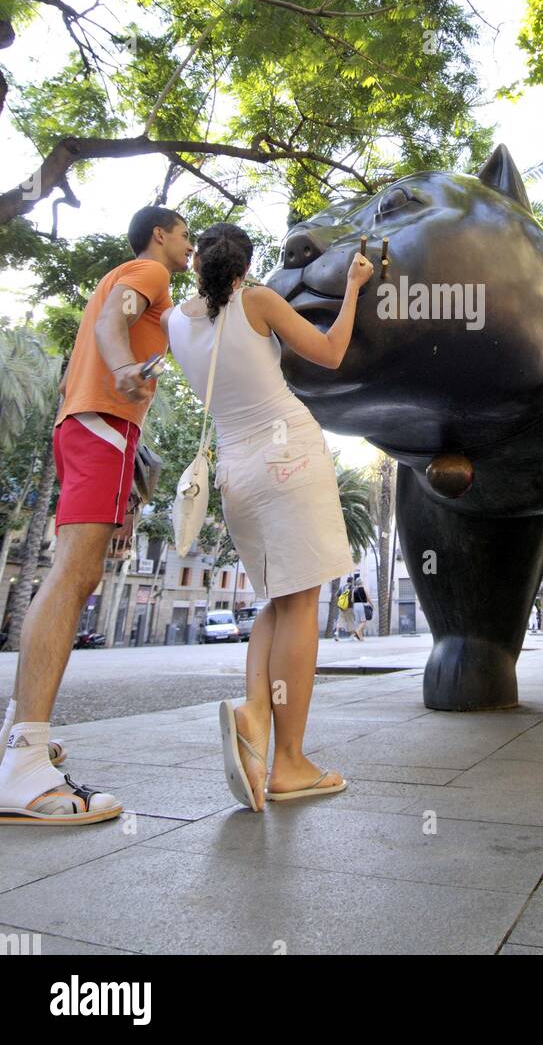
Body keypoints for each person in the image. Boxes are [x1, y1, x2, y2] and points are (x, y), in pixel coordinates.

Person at [167, 222, 373, 810]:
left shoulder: (174, 324)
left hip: (234, 472)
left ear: (197, 262)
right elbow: (331, 353)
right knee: (301, 603)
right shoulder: (256, 300)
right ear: (243, 267)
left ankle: (256, 711)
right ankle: (289, 763)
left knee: (277, 602)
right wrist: (355, 285)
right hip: (289, 456)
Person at [0, 207, 193, 826]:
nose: (188, 246)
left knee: (70, 574)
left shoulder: (126, 276)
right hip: (103, 425)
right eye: (185, 234)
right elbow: (118, 320)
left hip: (84, 425)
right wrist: (122, 368)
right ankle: (25, 762)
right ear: (160, 235)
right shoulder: (146, 271)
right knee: (75, 576)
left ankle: (16, 739)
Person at [352, 572, 371, 640]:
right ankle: (357, 631)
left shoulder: (354, 590)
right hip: (361, 605)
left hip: (355, 606)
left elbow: (352, 600)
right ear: (361, 583)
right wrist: (372, 604)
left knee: (359, 622)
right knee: (364, 621)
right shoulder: (363, 589)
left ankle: (360, 638)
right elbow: (368, 598)